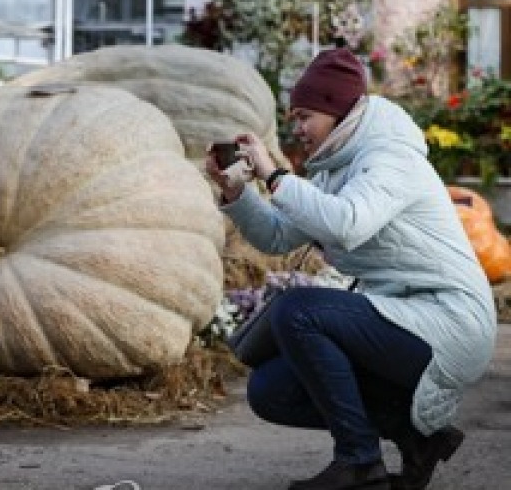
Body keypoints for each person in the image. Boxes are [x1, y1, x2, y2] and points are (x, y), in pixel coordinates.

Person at [205, 48, 497, 490]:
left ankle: (360, 462)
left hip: (449, 321)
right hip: (400, 319)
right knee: (270, 390)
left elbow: (348, 221)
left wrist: (276, 177)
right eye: (295, 118)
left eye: (305, 116)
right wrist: (237, 193)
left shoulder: (391, 157)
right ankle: (416, 439)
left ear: (336, 112)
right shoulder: (334, 167)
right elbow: (279, 237)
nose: (297, 128)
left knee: (298, 310)